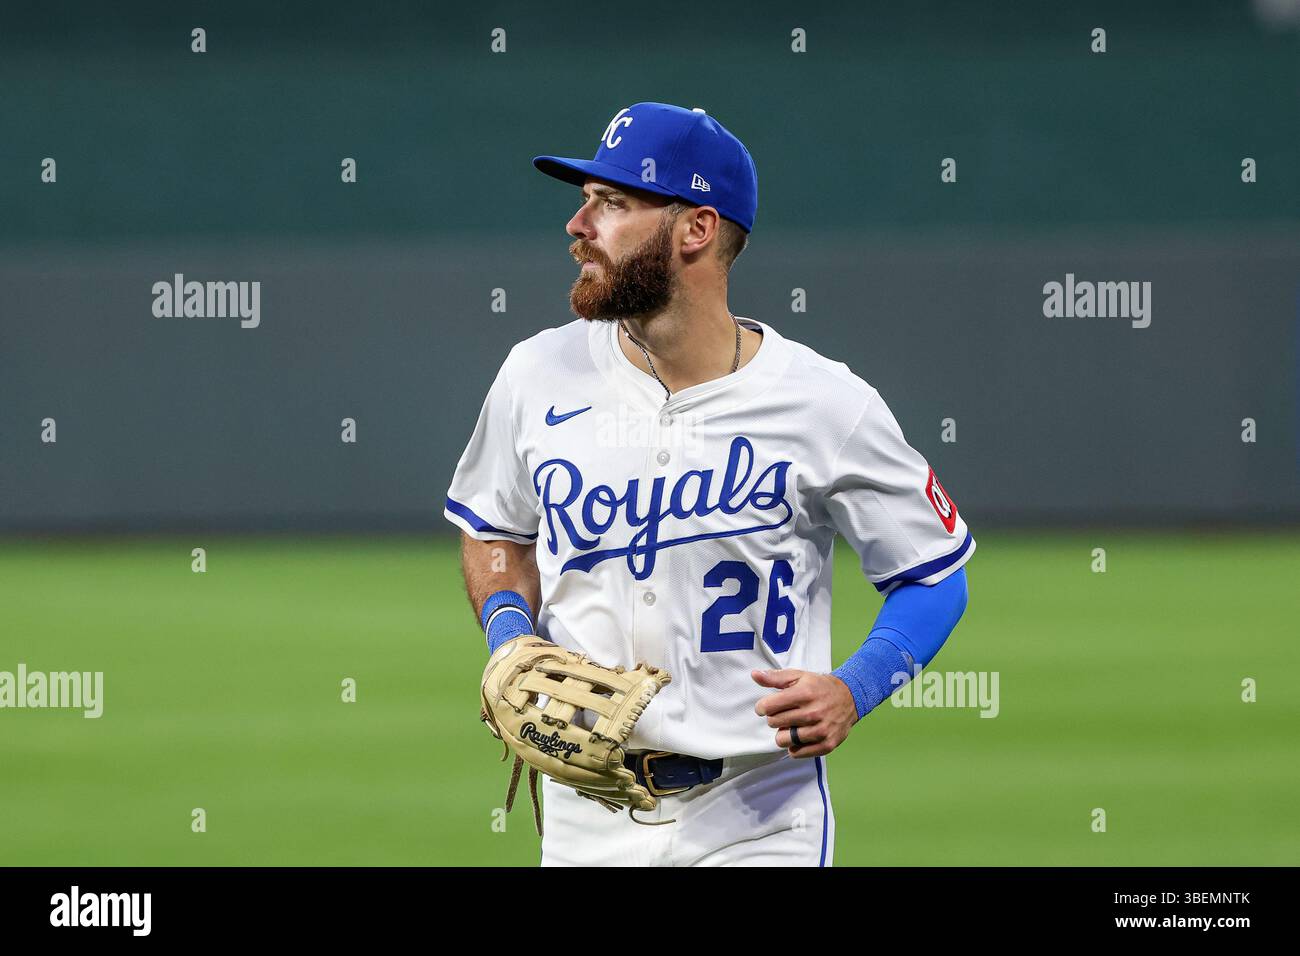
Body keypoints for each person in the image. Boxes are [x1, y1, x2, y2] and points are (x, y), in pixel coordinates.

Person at [445, 102, 974, 866]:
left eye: (613, 203)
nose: (578, 224)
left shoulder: (825, 403)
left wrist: (855, 687)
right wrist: (508, 635)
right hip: (582, 815)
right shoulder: (536, 374)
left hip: (759, 813)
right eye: (588, 199)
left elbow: (934, 575)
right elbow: (495, 528)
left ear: (695, 228)